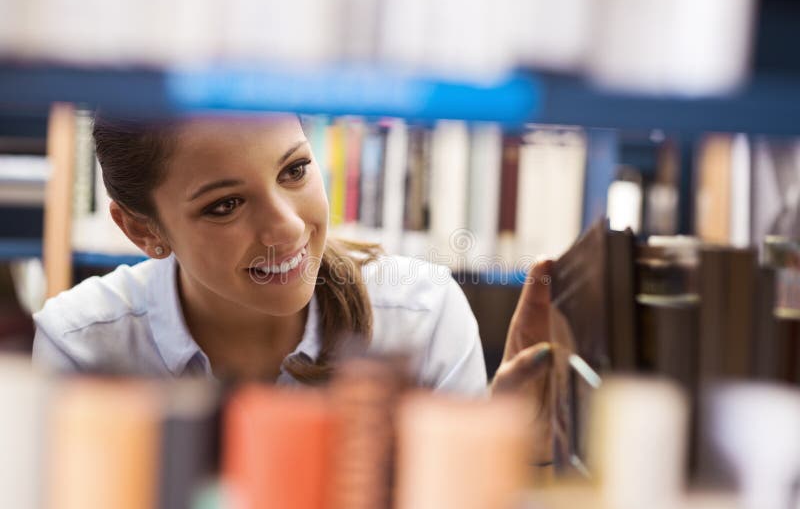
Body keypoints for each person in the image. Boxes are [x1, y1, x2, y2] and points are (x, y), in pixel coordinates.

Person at [31, 114, 558, 412]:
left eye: (295, 170)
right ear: (143, 230)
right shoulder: (81, 344)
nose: (286, 227)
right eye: (225, 205)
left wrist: (519, 465)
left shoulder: (423, 316)